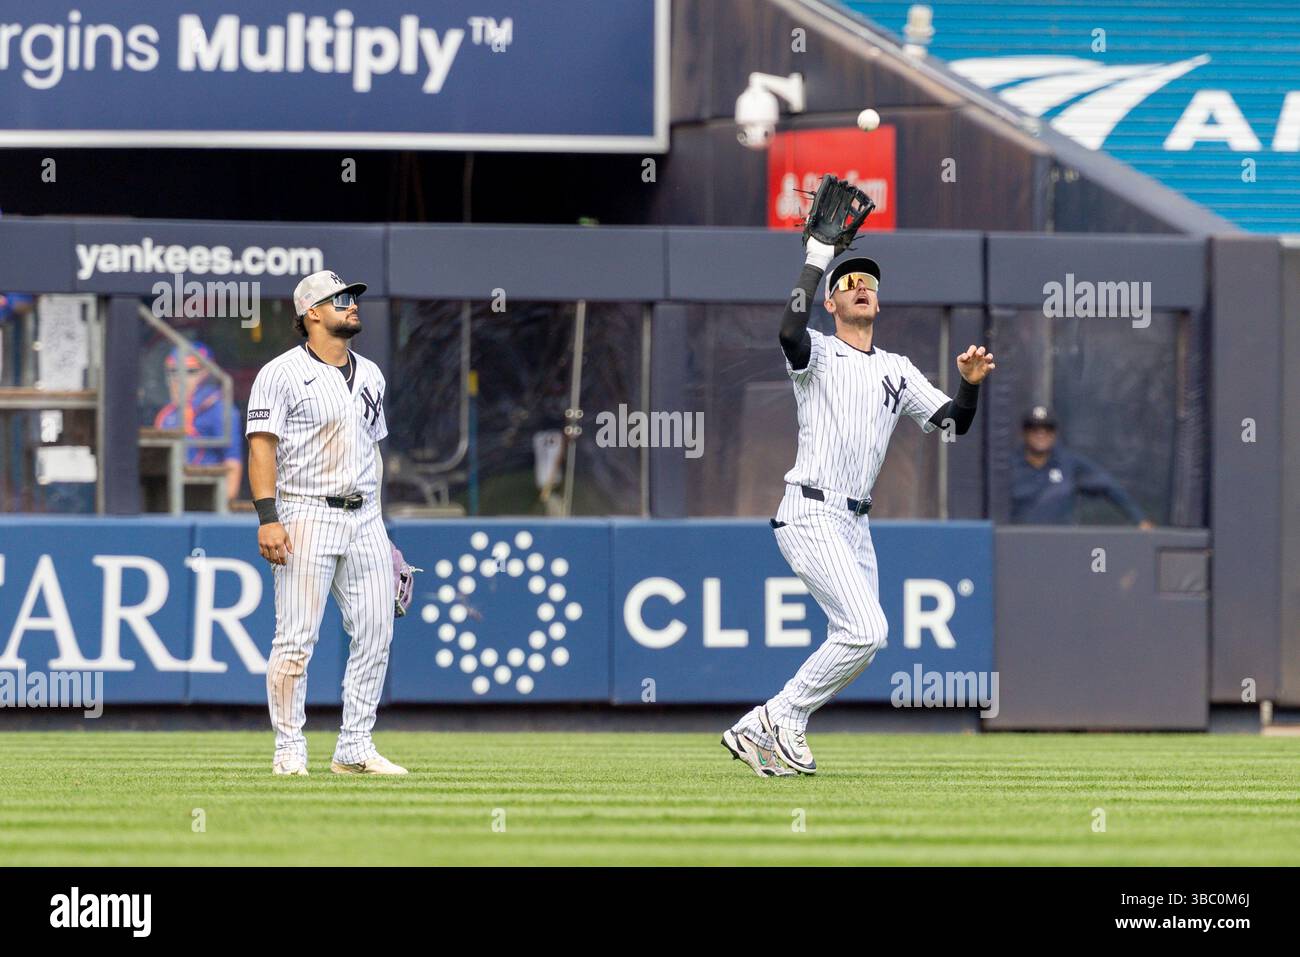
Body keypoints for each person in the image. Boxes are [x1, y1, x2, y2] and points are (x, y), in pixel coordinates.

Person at [722, 236, 995, 777]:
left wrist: (967, 386)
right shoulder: (817, 351)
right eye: (848, 283)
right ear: (830, 303)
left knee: (866, 640)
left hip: (855, 521)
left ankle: (773, 726)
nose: (861, 288)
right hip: (811, 508)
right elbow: (786, 332)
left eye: (868, 282)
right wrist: (818, 256)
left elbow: (951, 423)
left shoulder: (896, 367)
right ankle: (779, 717)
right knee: (865, 629)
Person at [246, 269, 405, 777]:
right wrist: (268, 518)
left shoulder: (373, 374)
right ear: (311, 313)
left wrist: (382, 528)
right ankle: (289, 748)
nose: (351, 305)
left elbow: (372, 454)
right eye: (339, 299)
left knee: (376, 633)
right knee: (295, 640)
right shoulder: (280, 372)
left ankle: (355, 747)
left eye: (352, 297)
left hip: (365, 518)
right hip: (306, 511)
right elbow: (261, 447)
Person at [1011, 405, 1154, 528]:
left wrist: (1139, 519)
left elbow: (1109, 487)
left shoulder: (1069, 464)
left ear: (1054, 433)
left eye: (1047, 428)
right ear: (1024, 432)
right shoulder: (1008, 466)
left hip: (1060, 544)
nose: (1041, 434)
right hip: (1020, 544)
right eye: (1034, 428)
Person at [153, 341, 243, 503]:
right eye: (173, 371)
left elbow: (232, 462)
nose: (178, 379)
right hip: (167, 496)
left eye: (190, 371)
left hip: (207, 498)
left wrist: (225, 503)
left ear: (205, 373)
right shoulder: (166, 414)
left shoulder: (219, 409)